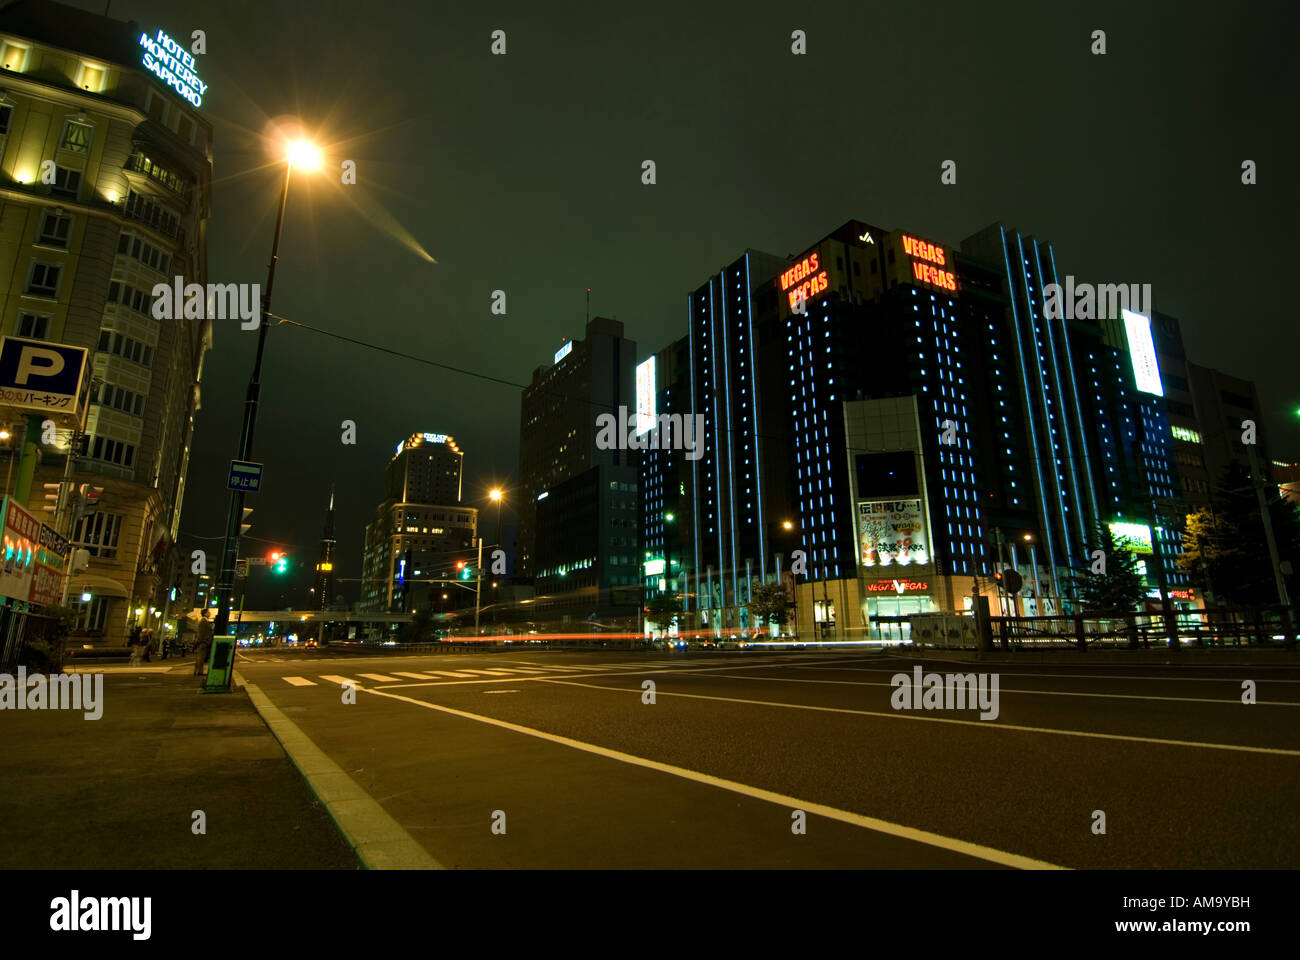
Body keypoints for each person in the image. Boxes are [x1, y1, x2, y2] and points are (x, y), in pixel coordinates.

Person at [193, 610, 214, 676]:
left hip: (204, 642)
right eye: (208, 612)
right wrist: (204, 641)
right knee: (201, 657)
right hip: (203, 642)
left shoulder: (205, 621)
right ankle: (199, 672)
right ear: (205, 613)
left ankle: (198, 671)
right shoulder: (203, 621)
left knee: (201, 657)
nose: (210, 613)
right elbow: (201, 633)